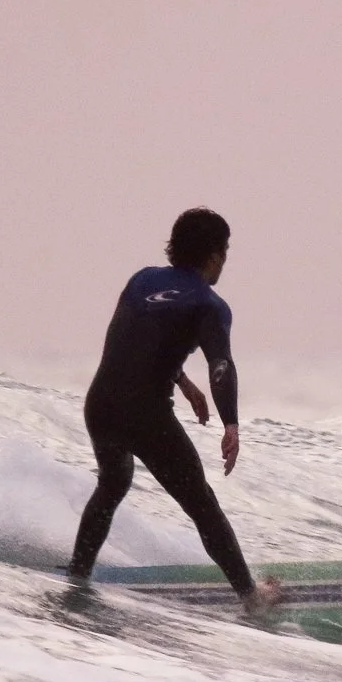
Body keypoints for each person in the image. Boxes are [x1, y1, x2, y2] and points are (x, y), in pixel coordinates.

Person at [68, 208, 282, 613]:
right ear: (215, 255)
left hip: (100, 404)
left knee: (113, 483)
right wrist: (231, 422)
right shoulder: (209, 305)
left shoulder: (142, 281)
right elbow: (220, 366)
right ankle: (252, 597)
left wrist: (180, 382)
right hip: (145, 417)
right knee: (202, 504)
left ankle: (78, 577)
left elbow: (140, 341)